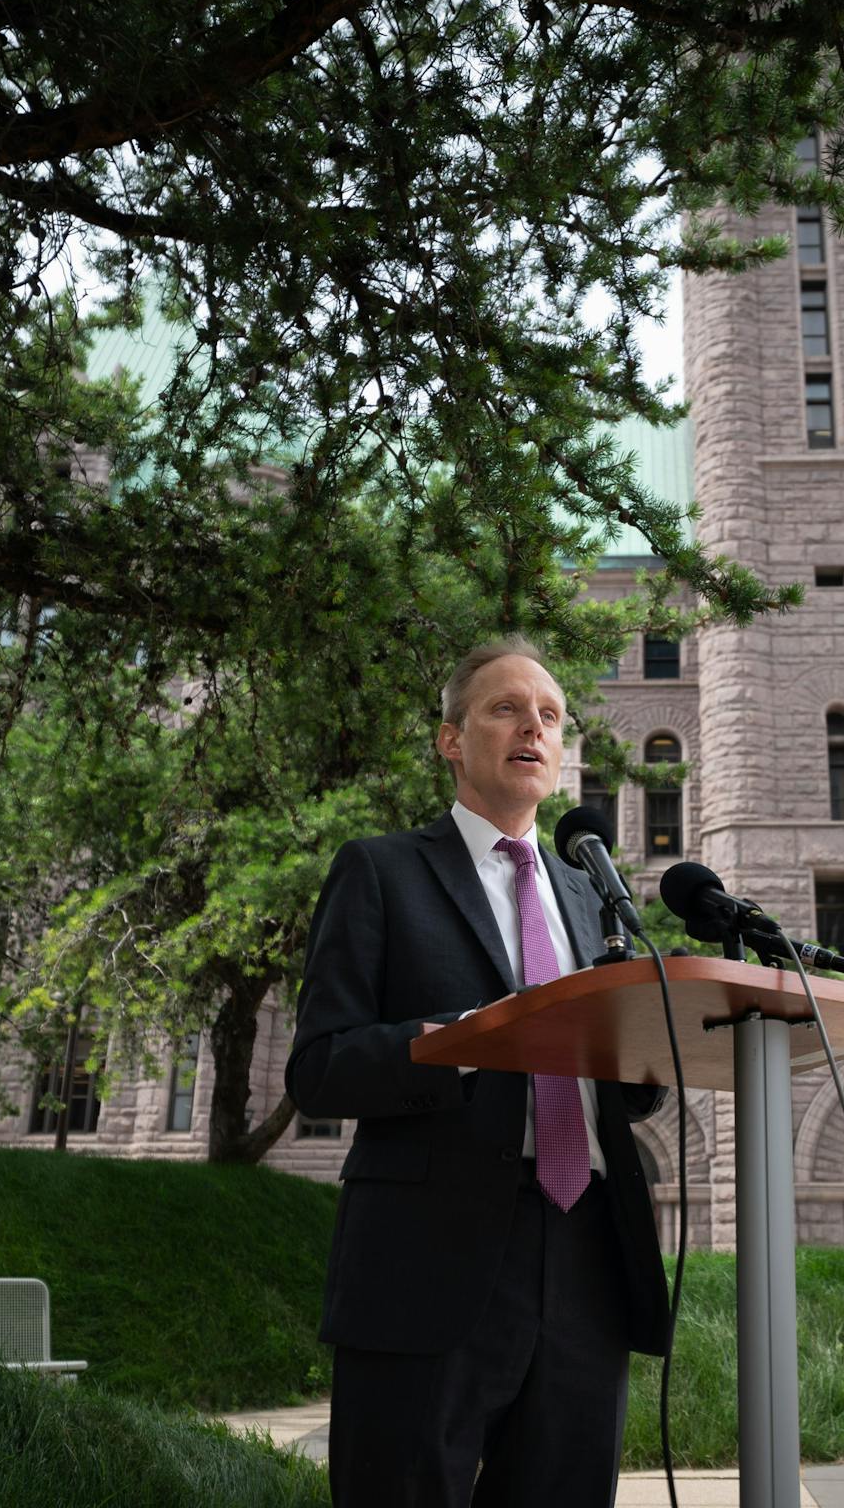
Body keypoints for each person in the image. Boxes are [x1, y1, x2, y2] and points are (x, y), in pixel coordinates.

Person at [285, 636, 669, 1507]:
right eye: (505, 708)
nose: (532, 726)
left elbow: (624, 1081)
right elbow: (317, 1068)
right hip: (430, 1260)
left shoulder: (593, 897)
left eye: (549, 716)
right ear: (451, 740)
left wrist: (647, 1052)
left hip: (586, 1259)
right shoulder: (380, 871)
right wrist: (458, 1042)